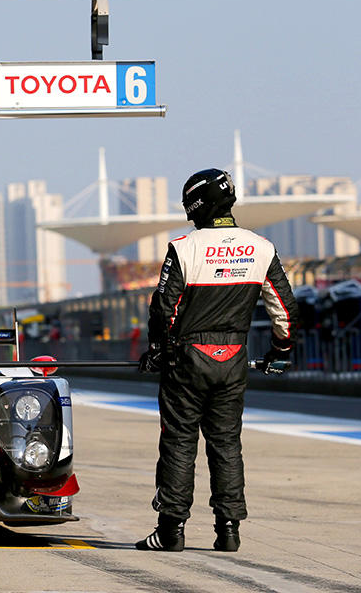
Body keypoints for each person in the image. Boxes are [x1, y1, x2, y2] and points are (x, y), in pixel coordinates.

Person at [136, 168, 298, 553]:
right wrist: (280, 352)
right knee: (226, 443)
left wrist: (157, 350)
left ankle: (171, 531)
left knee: (179, 442)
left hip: (187, 360)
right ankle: (228, 530)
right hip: (234, 358)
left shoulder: (184, 248)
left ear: (196, 206)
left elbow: (164, 309)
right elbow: (285, 311)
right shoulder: (261, 247)